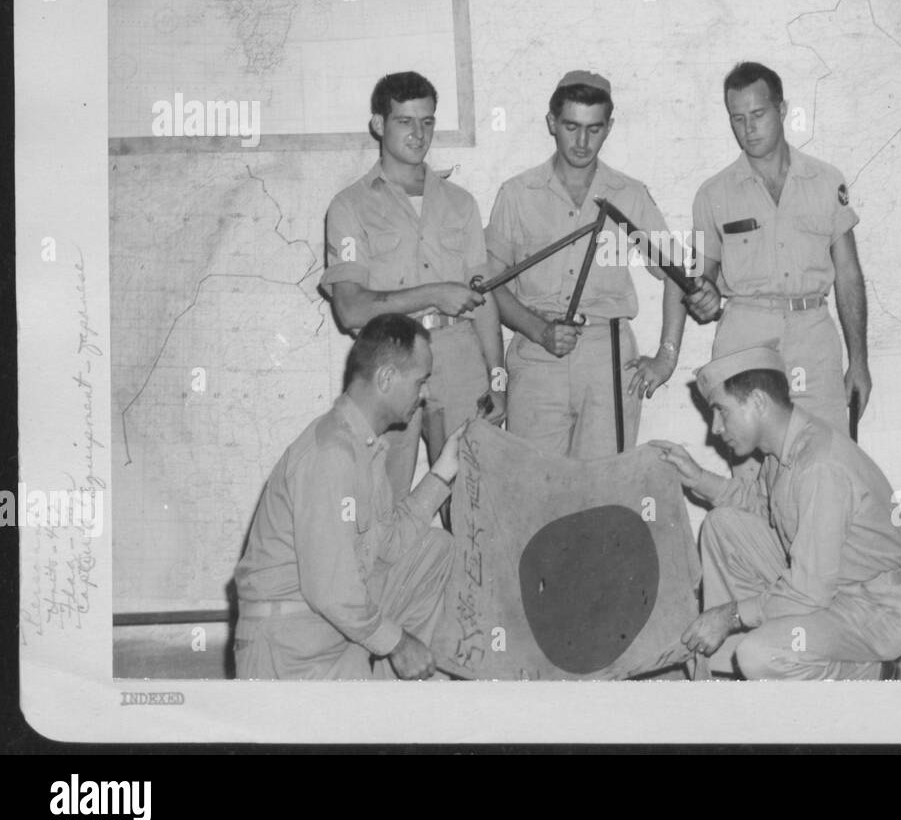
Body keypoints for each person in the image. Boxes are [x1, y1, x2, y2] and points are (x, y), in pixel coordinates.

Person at [652, 341, 901, 680]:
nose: (716, 428)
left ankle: (868, 673)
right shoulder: (784, 448)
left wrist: (730, 615)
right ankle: (725, 671)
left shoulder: (819, 466)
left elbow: (810, 590)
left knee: (761, 655)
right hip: (832, 587)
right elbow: (759, 504)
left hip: (873, 611)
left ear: (757, 402)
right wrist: (698, 477)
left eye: (721, 411)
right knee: (723, 525)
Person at [233, 314, 466, 679]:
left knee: (436, 548)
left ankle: (397, 698)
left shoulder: (364, 447)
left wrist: (443, 472)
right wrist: (399, 644)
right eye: (421, 381)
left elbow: (389, 546)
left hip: (331, 634)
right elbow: (330, 591)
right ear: (386, 378)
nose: (426, 394)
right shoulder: (331, 453)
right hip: (290, 650)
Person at [320, 71, 505, 504]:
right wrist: (434, 293)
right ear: (379, 125)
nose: (419, 134)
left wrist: (498, 380)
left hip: (460, 355)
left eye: (427, 122)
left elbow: (484, 299)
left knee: (472, 500)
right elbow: (350, 310)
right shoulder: (349, 206)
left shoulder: (460, 202)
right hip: (390, 359)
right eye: (405, 121)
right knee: (380, 498)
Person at [484, 69, 688, 457]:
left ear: (609, 127)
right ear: (551, 123)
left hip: (607, 355)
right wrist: (538, 329)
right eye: (571, 126)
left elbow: (676, 273)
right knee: (537, 487)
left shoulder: (629, 193)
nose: (582, 141)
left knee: (604, 491)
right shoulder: (517, 194)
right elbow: (491, 284)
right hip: (536, 354)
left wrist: (667, 357)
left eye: (594, 129)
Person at [685, 61, 872, 434]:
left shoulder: (825, 181)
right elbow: (702, 279)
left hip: (813, 335)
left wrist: (860, 361)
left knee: (825, 458)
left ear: (782, 110)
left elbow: (848, 275)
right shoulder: (712, 195)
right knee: (751, 471)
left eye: (758, 114)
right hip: (744, 336)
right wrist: (702, 298)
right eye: (737, 119)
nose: (748, 129)